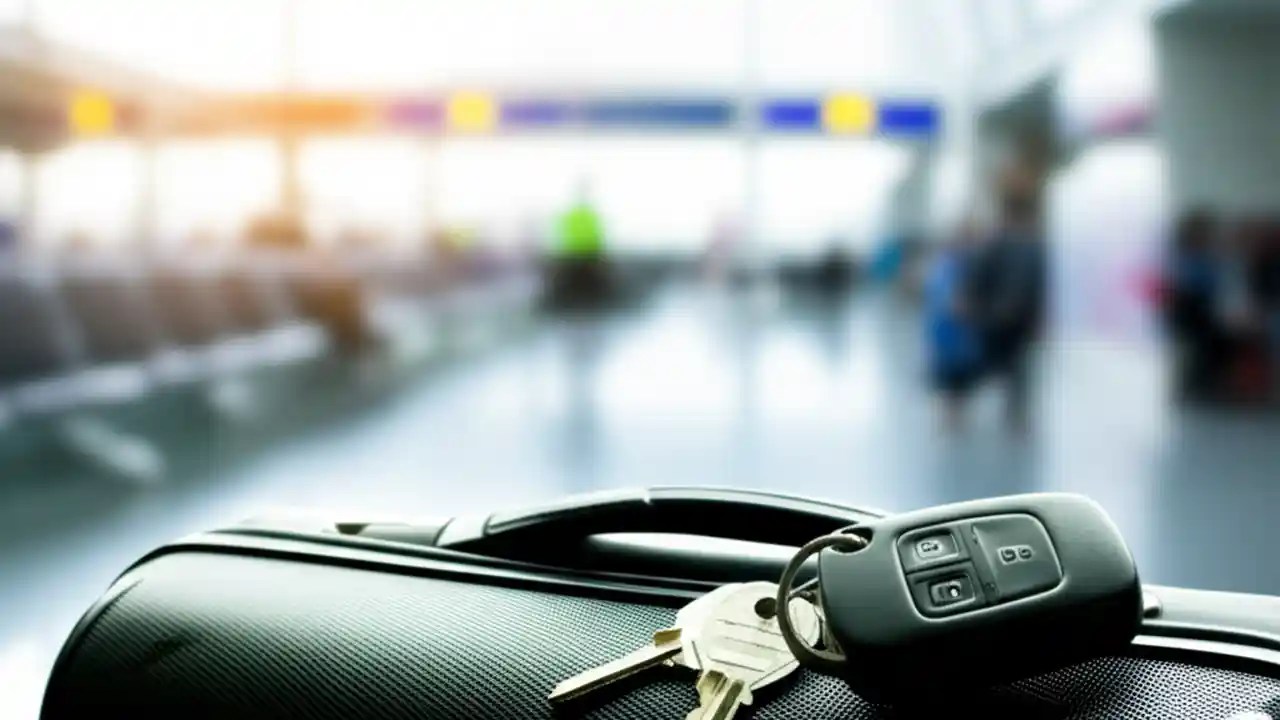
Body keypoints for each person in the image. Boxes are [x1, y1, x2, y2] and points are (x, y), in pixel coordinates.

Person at [969, 176, 1048, 434]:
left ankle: (1016, 414)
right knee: (1001, 364)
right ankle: (1009, 410)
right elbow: (980, 277)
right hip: (997, 315)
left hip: (1020, 317)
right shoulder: (997, 245)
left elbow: (1041, 284)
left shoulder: (1033, 247)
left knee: (1019, 366)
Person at [924, 223, 984, 431]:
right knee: (950, 375)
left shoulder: (965, 265)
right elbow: (951, 302)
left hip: (960, 335)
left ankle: (955, 414)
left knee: (960, 376)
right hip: (948, 332)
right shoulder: (945, 267)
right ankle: (951, 416)